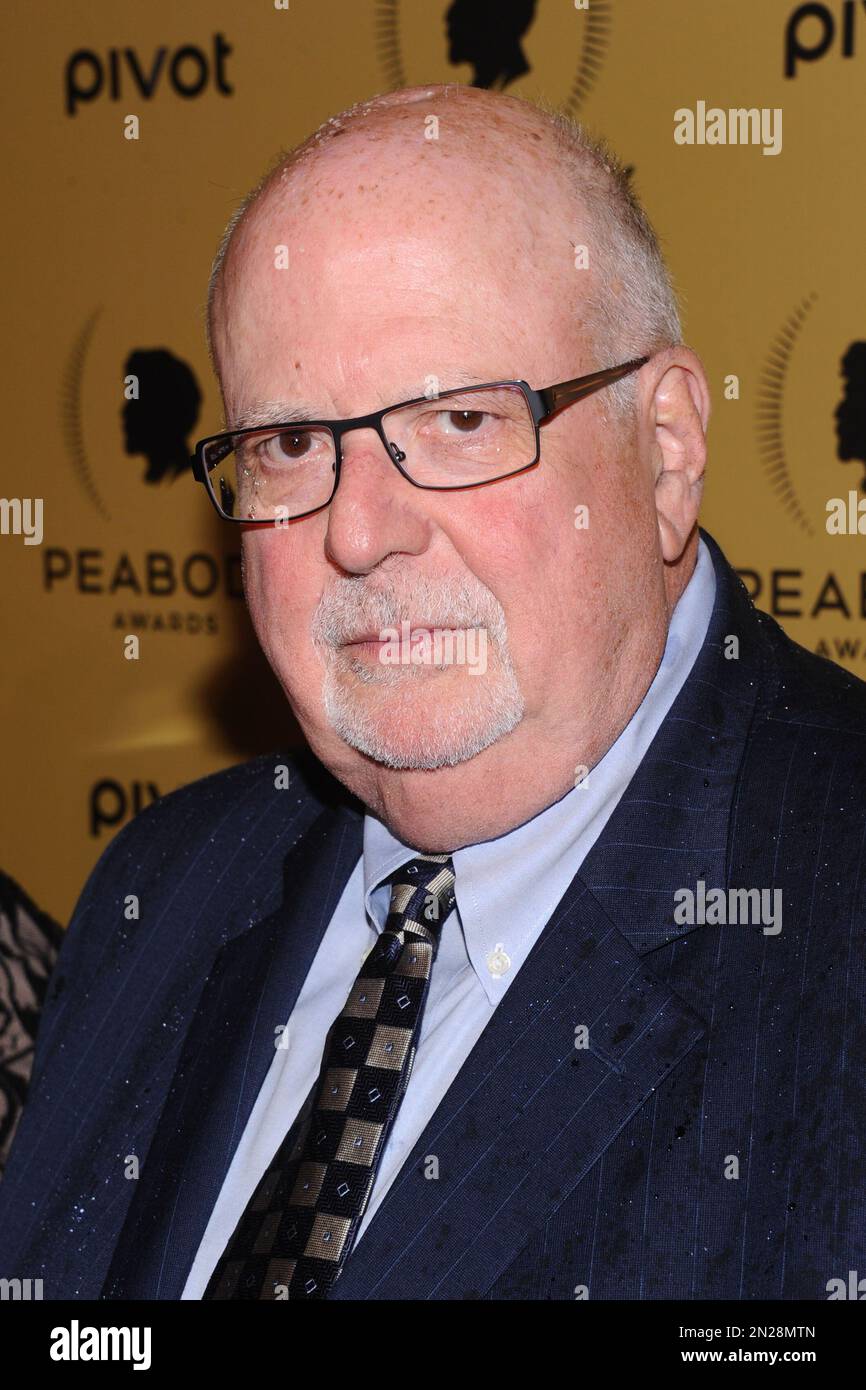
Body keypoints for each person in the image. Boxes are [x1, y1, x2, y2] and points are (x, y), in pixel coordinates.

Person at [1, 83, 864, 1302]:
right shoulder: (167, 886)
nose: (358, 530)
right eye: (291, 444)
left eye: (458, 418)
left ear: (665, 450)